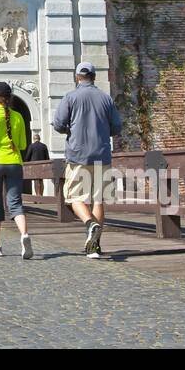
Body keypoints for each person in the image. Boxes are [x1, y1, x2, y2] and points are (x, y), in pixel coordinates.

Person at [52, 62, 122, 259]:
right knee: (98, 200)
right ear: (94, 76)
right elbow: (117, 127)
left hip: (77, 156)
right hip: (102, 155)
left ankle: (90, 224)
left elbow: (58, 124)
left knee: (75, 198)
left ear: (77, 77)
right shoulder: (106, 99)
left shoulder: (70, 97)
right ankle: (95, 247)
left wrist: (71, 130)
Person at [0, 82, 33, 258]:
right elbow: (23, 144)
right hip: (14, 163)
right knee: (15, 203)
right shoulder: (18, 117)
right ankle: (24, 234)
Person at [24, 131, 50, 196]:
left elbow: (28, 156)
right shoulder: (44, 146)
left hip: (34, 165)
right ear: (39, 139)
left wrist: (26, 163)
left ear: (33, 139)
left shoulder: (31, 146)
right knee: (41, 180)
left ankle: (37, 195)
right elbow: (47, 157)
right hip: (42, 165)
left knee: (36, 181)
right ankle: (41, 195)